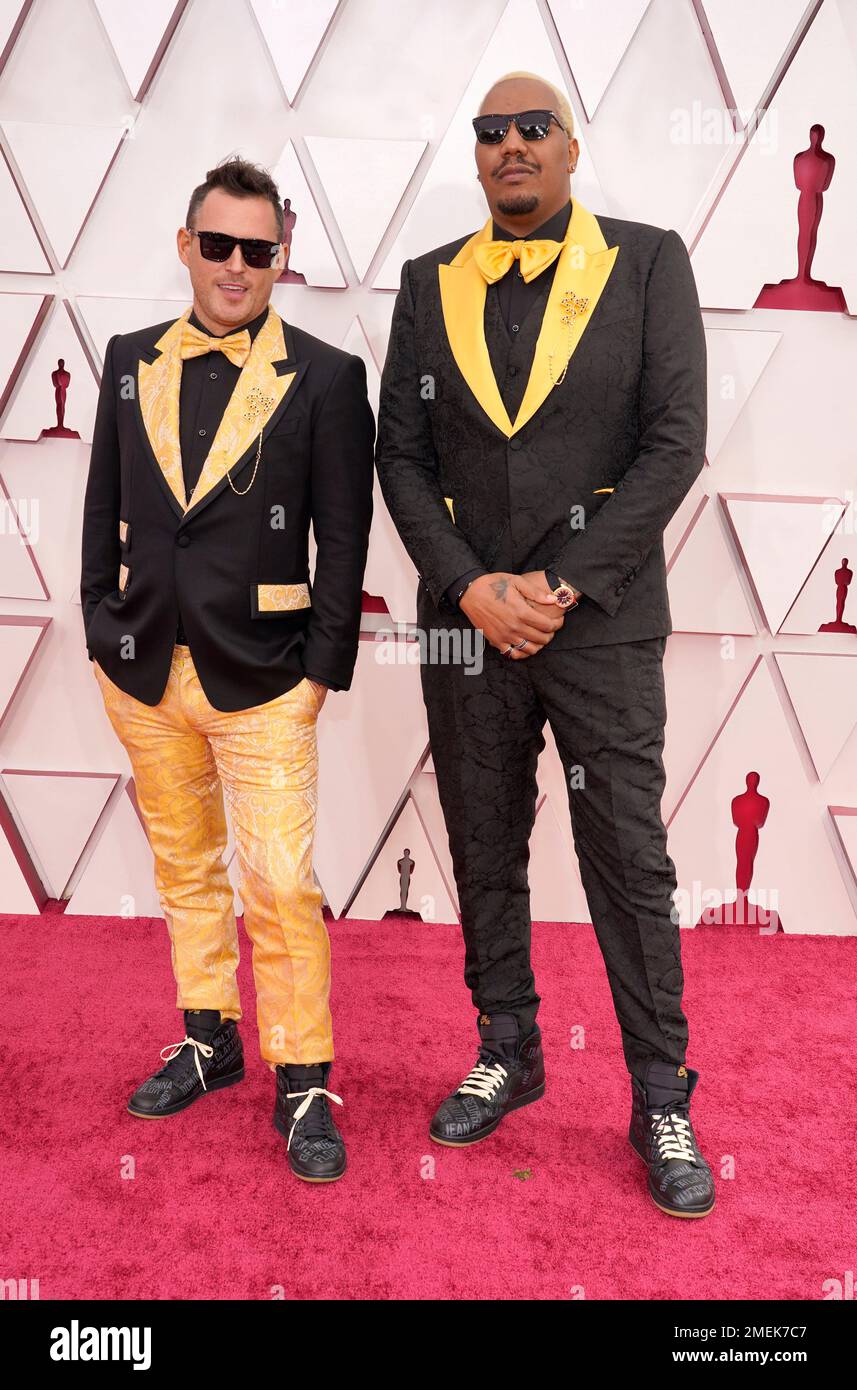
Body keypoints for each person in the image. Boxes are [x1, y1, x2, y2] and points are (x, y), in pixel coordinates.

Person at [376, 72, 715, 1217]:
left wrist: (557, 585)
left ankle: (660, 1092)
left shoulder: (648, 260)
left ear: (571, 146)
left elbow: (673, 446)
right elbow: (402, 459)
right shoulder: (427, 285)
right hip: (467, 624)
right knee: (482, 838)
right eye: (488, 132)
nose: (508, 146)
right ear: (475, 157)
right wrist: (471, 587)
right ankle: (508, 1047)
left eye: (531, 128)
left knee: (626, 855)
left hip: (599, 621)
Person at [81, 155, 375, 1184]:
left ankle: (303, 1078)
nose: (238, 266)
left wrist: (318, 672)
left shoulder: (328, 377)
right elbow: (100, 507)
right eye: (220, 245)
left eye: (260, 249)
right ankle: (209, 1038)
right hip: (144, 667)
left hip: (265, 676)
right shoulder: (125, 359)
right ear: (186, 246)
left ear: (279, 257)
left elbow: (342, 539)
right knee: (183, 867)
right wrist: (97, 626)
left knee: (282, 884)